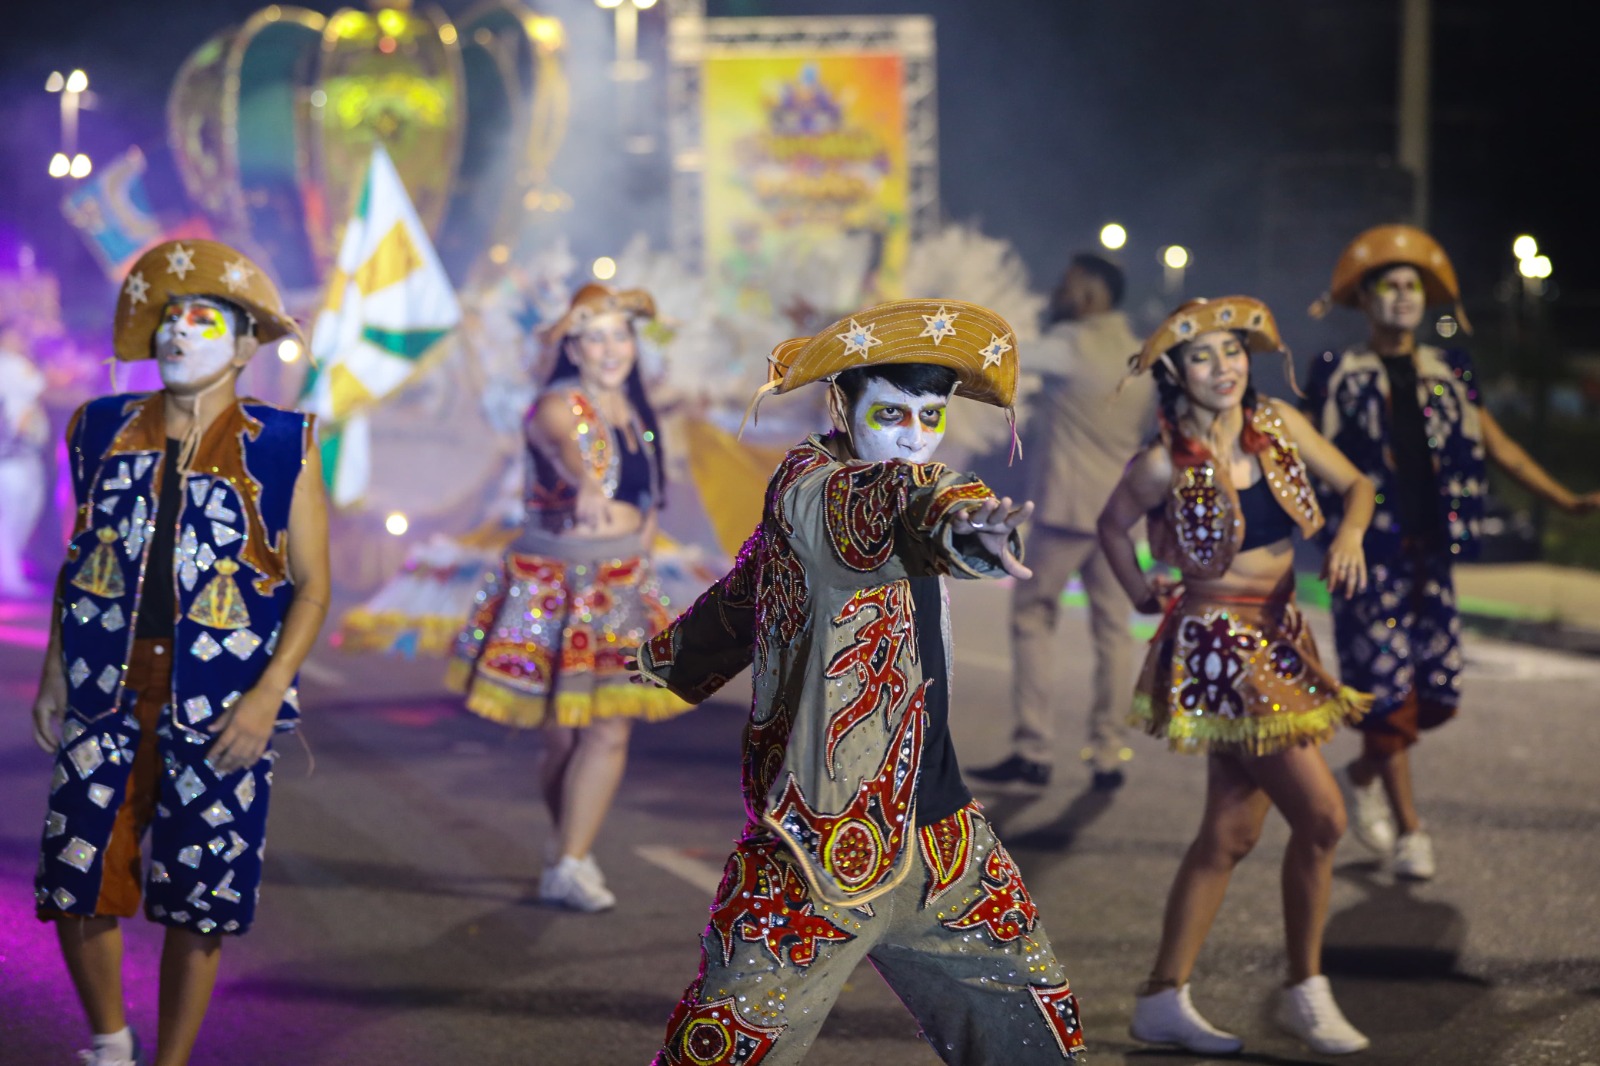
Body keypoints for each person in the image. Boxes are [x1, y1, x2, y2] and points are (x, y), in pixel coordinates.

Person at [637, 300, 1085, 1065]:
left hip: (947, 844)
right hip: (819, 852)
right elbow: (898, 506)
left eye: (931, 417)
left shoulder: (842, 498)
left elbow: (747, 597)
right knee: (718, 1058)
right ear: (841, 404)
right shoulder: (815, 491)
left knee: (1042, 1044)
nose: (914, 436)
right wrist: (953, 517)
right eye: (892, 412)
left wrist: (663, 663)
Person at [30, 240, 330, 1066]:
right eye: (168, 318)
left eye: (203, 319)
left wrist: (270, 694)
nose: (178, 332)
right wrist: (56, 666)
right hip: (103, 690)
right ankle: (110, 1042)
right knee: (78, 876)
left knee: (201, 897)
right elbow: (79, 557)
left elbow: (311, 586)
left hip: (224, 698)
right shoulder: (97, 427)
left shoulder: (284, 442)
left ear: (243, 348)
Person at [1098, 296, 1375, 1055]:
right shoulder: (1161, 461)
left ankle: (1162, 997)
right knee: (1323, 817)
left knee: (1229, 830)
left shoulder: (1278, 424)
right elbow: (1109, 528)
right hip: (1222, 646)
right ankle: (1304, 989)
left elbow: (1357, 486)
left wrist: (1348, 536)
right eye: (1202, 357)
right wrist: (1137, 589)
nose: (1224, 368)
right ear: (1174, 374)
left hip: (1281, 632)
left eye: (1233, 352)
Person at [1303, 224, 1600, 880]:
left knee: (1435, 696)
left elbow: (1503, 449)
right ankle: (1412, 832)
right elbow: (1299, 452)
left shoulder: (1449, 375)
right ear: (1366, 298)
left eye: (1414, 286)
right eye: (1391, 285)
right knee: (1383, 692)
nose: (1404, 297)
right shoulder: (1339, 376)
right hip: (1364, 559)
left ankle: (1363, 772)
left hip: (1430, 557)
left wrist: (1565, 500)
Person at [448, 282, 688, 912]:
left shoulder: (639, 414)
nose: (611, 348)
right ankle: (568, 849)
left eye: (620, 335)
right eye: (596, 336)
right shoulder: (555, 405)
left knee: (610, 728)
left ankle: (570, 861)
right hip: (555, 586)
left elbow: (648, 499)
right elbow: (560, 446)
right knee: (562, 737)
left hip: (620, 586)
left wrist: (641, 548)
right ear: (574, 348)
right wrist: (583, 482)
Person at [971, 252, 1155, 791]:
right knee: (1114, 632)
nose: (1058, 292)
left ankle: (1033, 749)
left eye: (1068, 285)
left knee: (1033, 618)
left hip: (1068, 509)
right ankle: (1106, 753)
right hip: (1118, 515)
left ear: (1092, 293)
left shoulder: (1070, 345)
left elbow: (1000, 354)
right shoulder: (1140, 358)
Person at [0, 317, 50, 596]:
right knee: (10, 516)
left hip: (27, 455)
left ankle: (10, 572)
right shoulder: (9, 366)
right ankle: (10, 578)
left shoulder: (20, 366)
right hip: (9, 455)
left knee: (26, 511)